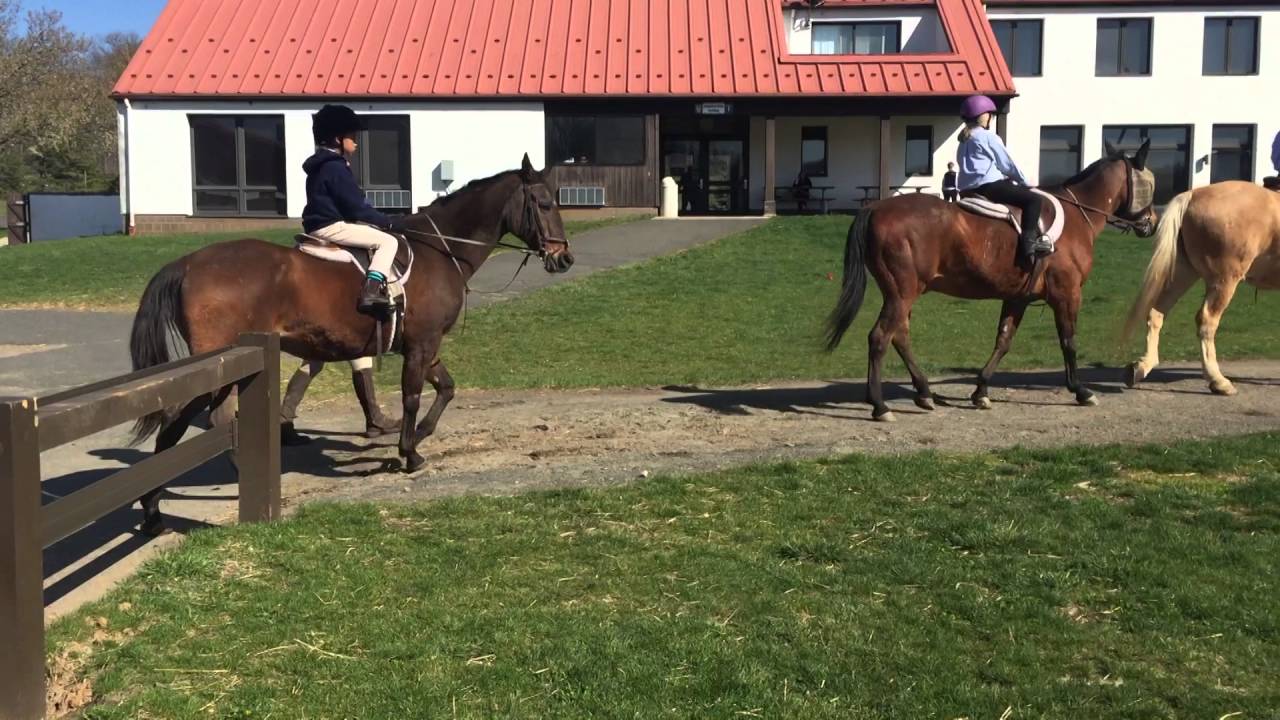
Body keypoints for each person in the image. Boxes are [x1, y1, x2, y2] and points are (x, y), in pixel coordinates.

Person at [303, 104, 405, 314]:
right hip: (332, 226)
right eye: (352, 136)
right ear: (337, 139)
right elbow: (357, 208)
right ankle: (371, 291)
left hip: (316, 225)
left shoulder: (321, 165)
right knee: (388, 241)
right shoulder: (335, 167)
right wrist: (389, 222)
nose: (356, 141)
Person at [955, 95, 1051, 260]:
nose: (991, 118)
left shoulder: (963, 141)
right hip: (989, 187)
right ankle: (1029, 245)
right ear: (984, 116)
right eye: (990, 115)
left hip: (966, 190)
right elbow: (1007, 165)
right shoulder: (988, 137)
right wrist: (1024, 181)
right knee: (1034, 200)